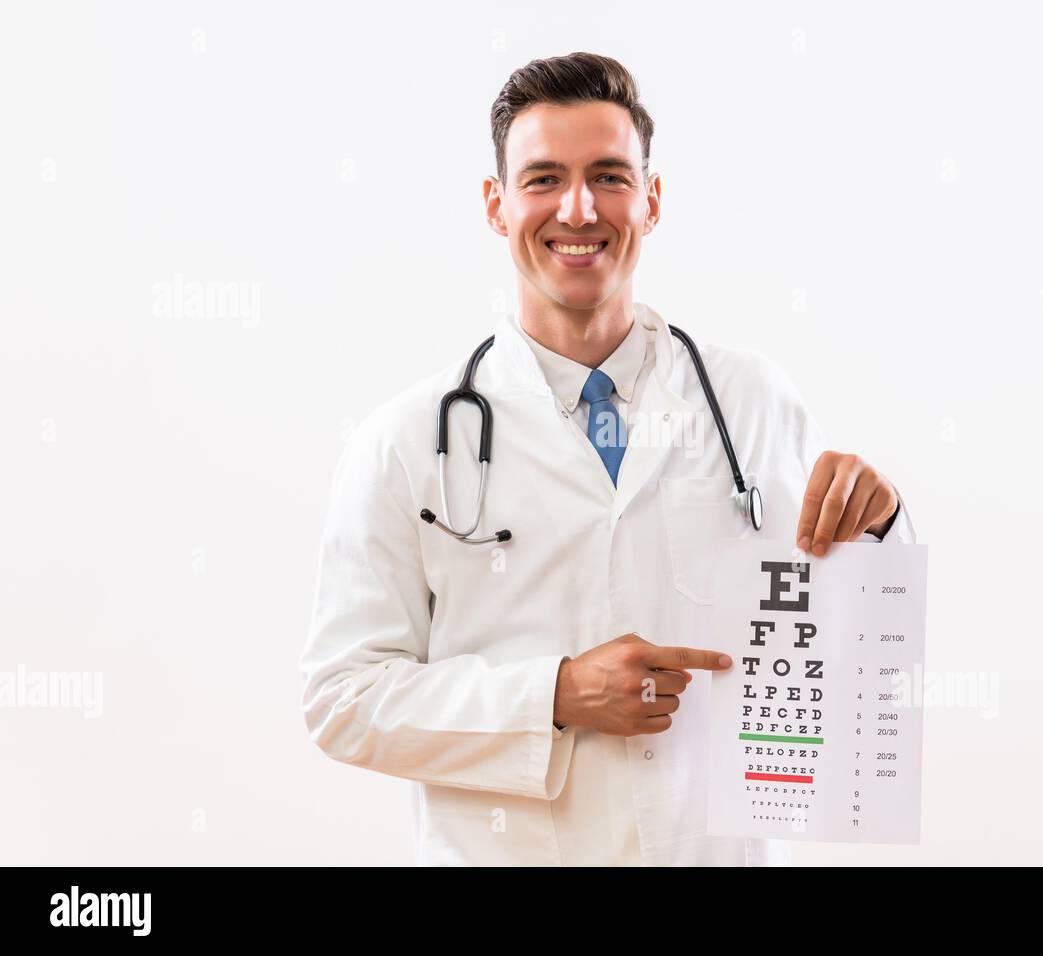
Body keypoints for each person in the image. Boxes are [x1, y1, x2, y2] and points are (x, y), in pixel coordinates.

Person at [299, 51, 916, 866]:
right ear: (496, 204)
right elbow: (342, 699)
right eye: (544, 178)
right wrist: (554, 695)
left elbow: (864, 647)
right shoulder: (405, 440)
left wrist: (883, 527)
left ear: (651, 199)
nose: (579, 208)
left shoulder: (750, 400)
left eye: (610, 177)